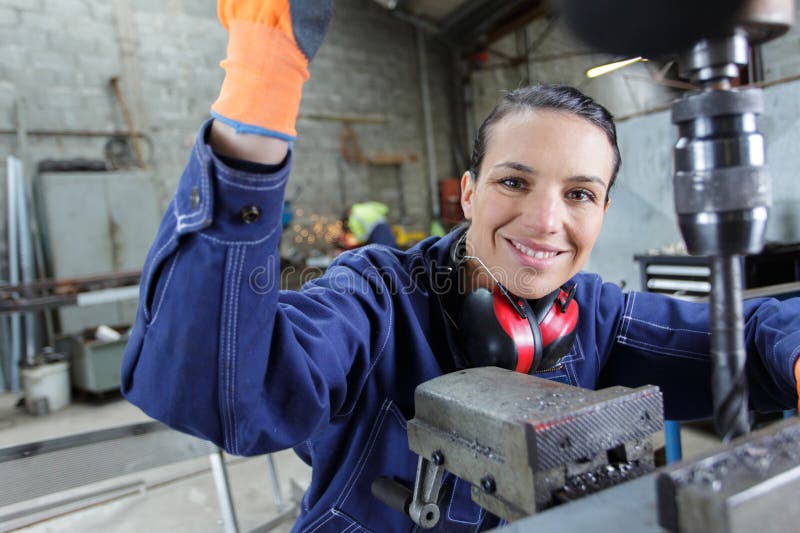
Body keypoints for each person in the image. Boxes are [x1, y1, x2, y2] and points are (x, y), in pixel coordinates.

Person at [121, 1, 800, 531]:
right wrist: (261, 86)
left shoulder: (597, 317)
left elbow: (762, 331)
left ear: (603, 211)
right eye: (514, 182)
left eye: (579, 194)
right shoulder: (378, 297)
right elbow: (220, 388)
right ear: (468, 192)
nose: (545, 221)